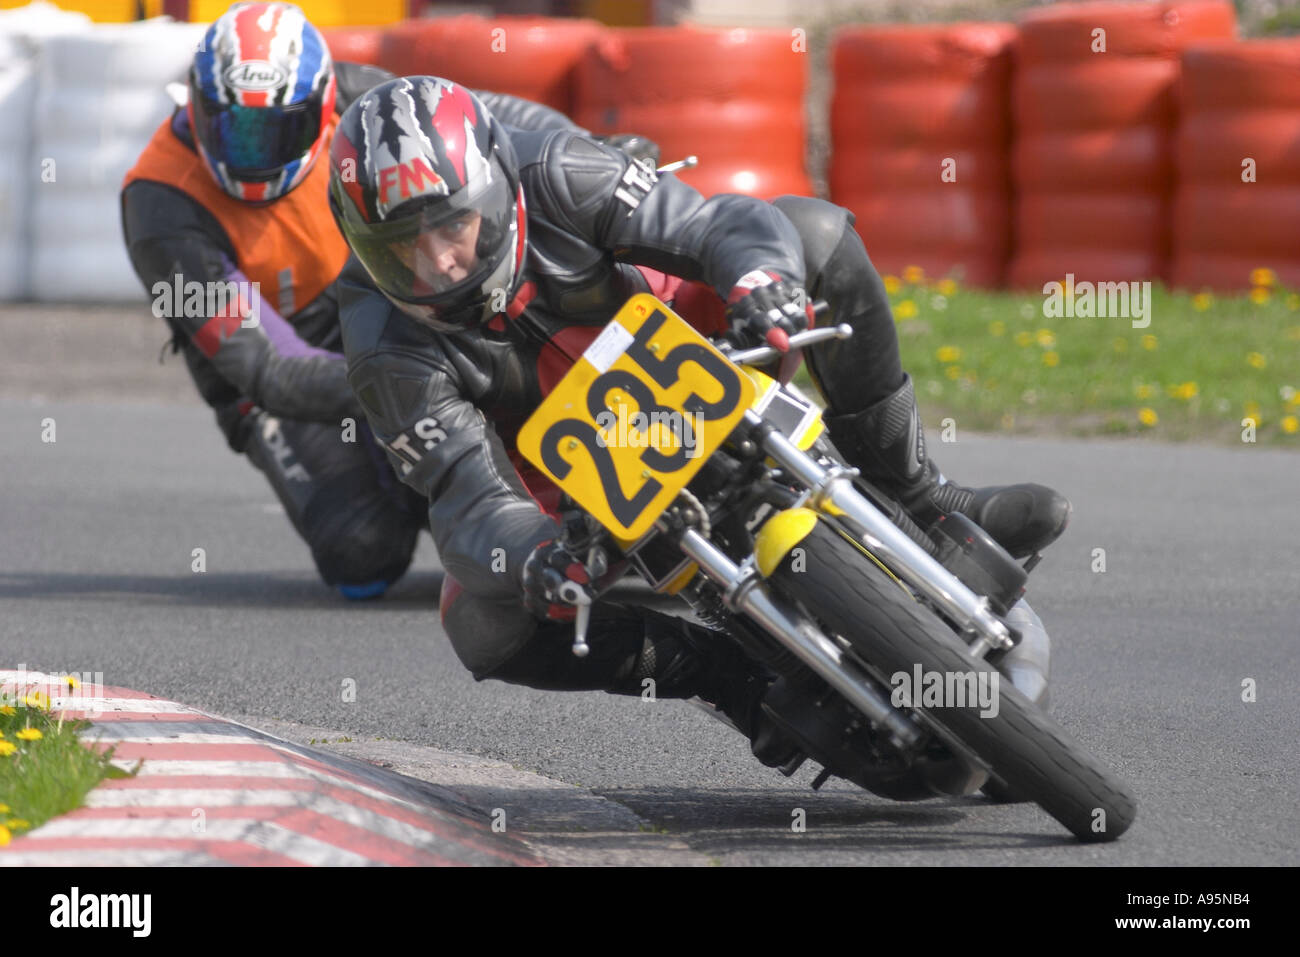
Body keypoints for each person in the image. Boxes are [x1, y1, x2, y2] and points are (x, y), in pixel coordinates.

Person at [327, 77, 1071, 769]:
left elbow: (715, 222)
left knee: (811, 232)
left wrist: (761, 280)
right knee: (478, 619)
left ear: (494, 186)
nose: (441, 265)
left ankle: (917, 493)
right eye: (403, 250)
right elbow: (464, 500)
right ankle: (727, 676)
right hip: (565, 475)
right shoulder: (380, 337)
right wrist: (533, 555)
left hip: (687, 343)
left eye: (452, 225)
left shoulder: (555, 167)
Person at [120, 3, 646, 600]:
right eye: (233, 130)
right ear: (197, 107)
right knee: (363, 551)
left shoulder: (353, 98)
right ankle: (448, 495)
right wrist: (419, 398)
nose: (252, 155)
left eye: (277, 130)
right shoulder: (159, 205)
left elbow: (481, 118)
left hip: (381, 299)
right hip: (278, 374)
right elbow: (268, 368)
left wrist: (589, 152)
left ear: (320, 106)